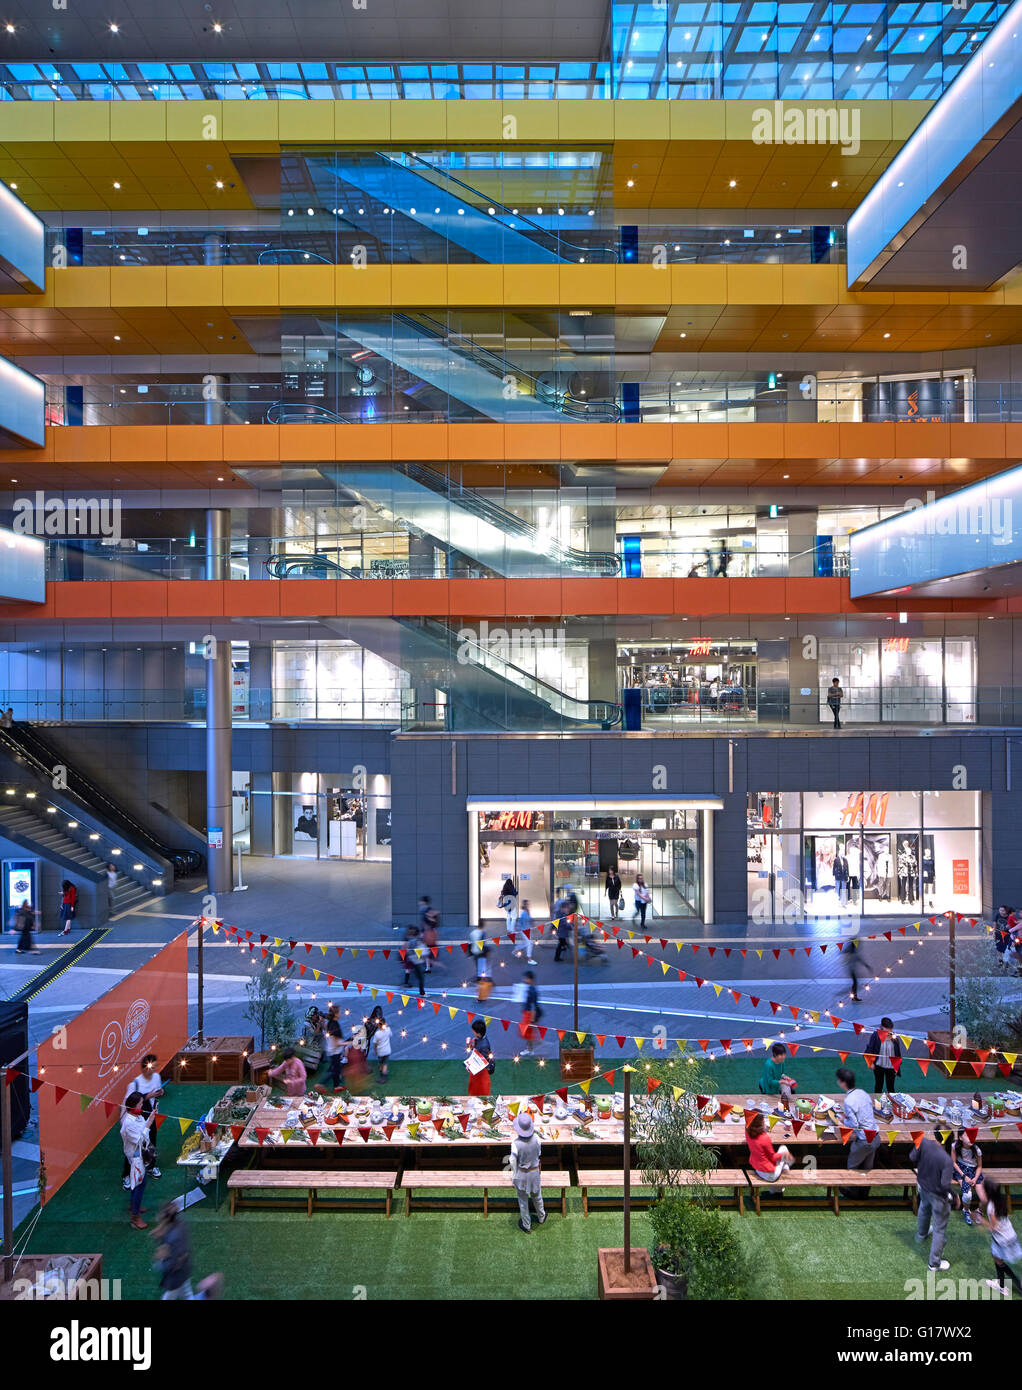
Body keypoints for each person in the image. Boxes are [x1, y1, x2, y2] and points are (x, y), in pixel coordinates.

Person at [151, 1202, 224, 1301]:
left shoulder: (175, 1237)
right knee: (186, 1293)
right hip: (183, 1272)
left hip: (176, 1276)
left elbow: (173, 1263)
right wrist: (161, 1233)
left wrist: (160, 1260)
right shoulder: (178, 1223)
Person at [910, 1128, 955, 1272]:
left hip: (922, 1186)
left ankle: (921, 1234)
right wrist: (953, 1196)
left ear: (935, 1134)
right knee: (939, 1229)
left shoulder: (923, 1142)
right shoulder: (947, 1160)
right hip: (937, 1196)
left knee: (923, 1208)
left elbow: (912, 1157)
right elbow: (945, 1185)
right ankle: (934, 1263)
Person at [835, 1066, 881, 1197]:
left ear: (843, 1083)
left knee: (852, 1166)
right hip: (875, 1137)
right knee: (867, 1167)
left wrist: (842, 1120)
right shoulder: (862, 1093)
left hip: (864, 1140)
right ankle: (865, 1192)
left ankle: (852, 1192)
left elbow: (854, 1125)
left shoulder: (849, 1101)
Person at [121, 1054, 164, 1187]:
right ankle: (127, 1175)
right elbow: (129, 1103)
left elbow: (158, 1090)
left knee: (151, 1142)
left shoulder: (156, 1077)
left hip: (151, 1114)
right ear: (144, 1068)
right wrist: (148, 1096)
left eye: (155, 1067)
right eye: (151, 1067)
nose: (153, 1070)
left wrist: (160, 1092)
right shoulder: (135, 1084)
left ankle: (150, 1167)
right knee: (134, 1148)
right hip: (137, 1119)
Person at [976, 1175, 1022, 1297]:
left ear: (988, 1192)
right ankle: (1001, 1284)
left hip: (1002, 1239)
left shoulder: (991, 1207)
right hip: (1010, 1235)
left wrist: (981, 1221)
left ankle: (1016, 1283)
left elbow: (994, 1227)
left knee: (998, 1260)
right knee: (997, 1258)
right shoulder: (1000, 1199)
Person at [121, 1091, 157, 1230]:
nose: (142, 1106)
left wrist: (148, 1122)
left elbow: (144, 1136)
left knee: (136, 1181)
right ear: (133, 1106)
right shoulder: (128, 1124)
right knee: (140, 1183)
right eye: (140, 1104)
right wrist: (149, 1124)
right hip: (135, 1157)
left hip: (141, 1154)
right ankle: (135, 1216)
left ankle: (133, 1205)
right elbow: (140, 1140)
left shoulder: (138, 1117)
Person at [510, 1110, 546, 1233]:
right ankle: (541, 1216)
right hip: (534, 1172)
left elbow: (512, 1161)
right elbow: (539, 1154)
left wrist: (514, 1176)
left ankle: (527, 1225)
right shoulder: (537, 1139)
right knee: (537, 1196)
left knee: (523, 1201)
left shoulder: (515, 1144)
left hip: (521, 1174)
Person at [746, 1112, 794, 1195]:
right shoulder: (764, 1138)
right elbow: (773, 1158)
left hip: (757, 1168)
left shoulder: (747, 1131)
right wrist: (785, 1154)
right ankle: (778, 1190)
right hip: (769, 1175)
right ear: (760, 1123)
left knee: (784, 1163)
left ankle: (779, 1186)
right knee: (784, 1149)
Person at [952, 1130, 983, 1227]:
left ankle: (979, 1212)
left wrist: (975, 1178)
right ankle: (966, 1210)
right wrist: (964, 1176)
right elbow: (954, 1163)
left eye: (972, 1135)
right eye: (967, 1135)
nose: (970, 1138)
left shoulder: (977, 1150)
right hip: (961, 1170)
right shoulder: (955, 1146)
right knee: (967, 1195)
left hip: (974, 1171)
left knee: (984, 1198)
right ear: (960, 1137)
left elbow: (979, 1166)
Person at [758, 1042, 797, 1113]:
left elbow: (781, 1074)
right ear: (775, 1055)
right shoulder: (769, 1065)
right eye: (781, 1055)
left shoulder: (781, 1062)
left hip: (776, 1085)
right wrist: (783, 1081)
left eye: (784, 1054)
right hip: (767, 1086)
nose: (784, 1056)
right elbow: (769, 1082)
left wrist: (786, 1077)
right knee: (769, 1103)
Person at [867, 1017, 902, 1094]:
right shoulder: (876, 1035)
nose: (889, 1030)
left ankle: (893, 1104)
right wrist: (871, 1063)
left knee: (891, 1087)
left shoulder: (894, 1037)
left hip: (891, 1067)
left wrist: (897, 1067)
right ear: (882, 1027)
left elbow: (897, 1053)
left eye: (890, 1029)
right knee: (878, 1086)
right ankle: (878, 1103)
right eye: (887, 1028)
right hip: (879, 1066)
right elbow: (869, 1049)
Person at [466, 1017, 494, 1097]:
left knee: (480, 1093)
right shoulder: (479, 1039)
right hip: (476, 1071)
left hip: (480, 1073)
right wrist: (470, 1046)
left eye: (473, 1030)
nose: (473, 1032)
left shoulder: (484, 1046)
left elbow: (483, 1062)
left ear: (478, 1033)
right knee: (475, 1091)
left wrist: (470, 1066)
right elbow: (476, 1052)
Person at [519, 969, 541, 1056]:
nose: (524, 980)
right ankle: (530, 1048)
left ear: (530, 979)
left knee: (527, 1032)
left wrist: (532, 1019)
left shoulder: (532, 991)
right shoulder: (531, 989)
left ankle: (529, 1049)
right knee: (527, 1033)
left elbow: (533, 1006)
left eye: (526, 978)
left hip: (529, 1014)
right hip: (528, 1013)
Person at [402, 922, 426, 997]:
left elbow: (406, 948)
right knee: (420, 977)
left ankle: (406, 983)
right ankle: (421, 992)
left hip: (413, 959)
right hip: (414, 960)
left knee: (412, 972)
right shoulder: (412, 940)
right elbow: (406, 948)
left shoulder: (411, 939)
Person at [842, 938, 869, 1002]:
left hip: (851, 970)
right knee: (855, 983)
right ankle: (854, 997)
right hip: (852, 970)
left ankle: (854, 996)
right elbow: (860, 960)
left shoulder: (851, 952)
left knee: (855, 983)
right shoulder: (854, 954)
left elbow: (859, 960)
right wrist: (867, 966)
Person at [321, 1019, 345, 1092]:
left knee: (336, 1069)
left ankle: (336, 1085)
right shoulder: (330, 1034)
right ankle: (322, 1084)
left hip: (335, 1052)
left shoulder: (329, 1032)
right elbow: (336, 1043)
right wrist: (349, 1042)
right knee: (334, 1070)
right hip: (334, 1053)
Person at [372, 1013, 392, 1081]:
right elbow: (390, 1035)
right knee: (385, 1064)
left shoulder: (377, 1034)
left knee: (381, 1064)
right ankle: (384, 1075)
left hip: (380, 1052)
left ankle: (382, 1076)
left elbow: (375, 1044)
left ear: (378, 1025)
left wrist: (375, 1051)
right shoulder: (388, 1029)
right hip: (387, 1051)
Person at [516, 899, 536, 963]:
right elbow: (520, 922)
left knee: (526, 943)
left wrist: (533, 925)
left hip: (528, 930)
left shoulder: (528, 911)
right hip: (524, 931)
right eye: (527, 904)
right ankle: (529, 958)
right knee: (529, 943)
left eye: (528, 904)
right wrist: (518, 931)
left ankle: (517, 949)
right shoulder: (523, 913)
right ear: (524, 905)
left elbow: (530, 919)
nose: (528, 905)